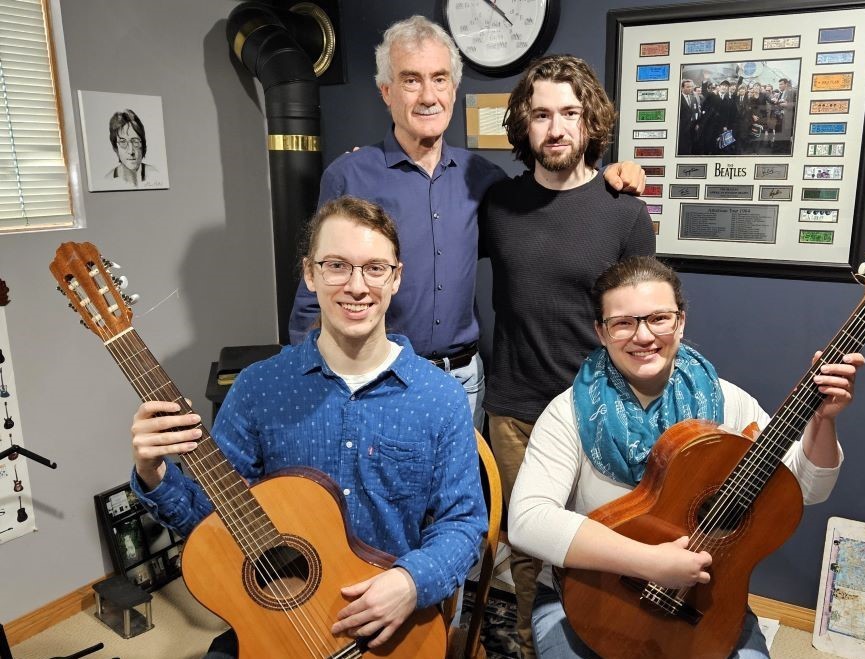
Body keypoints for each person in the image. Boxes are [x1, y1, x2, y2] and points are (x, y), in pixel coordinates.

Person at [130, 196, 487, 658]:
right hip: (279, 620)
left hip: (387, 631)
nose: (356, 286)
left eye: (374, 268)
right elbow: (212, 523)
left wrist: (409, 582)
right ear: (310, 273)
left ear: (396, 278)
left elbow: (464, 523)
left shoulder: (439, 397)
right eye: (336, 265)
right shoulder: (259, 388)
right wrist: (152, 472)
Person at [287, 16, 644, 429]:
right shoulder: (351, 176)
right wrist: (307, 380)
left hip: (465, 382)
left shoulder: (482, 178)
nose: (427, 96)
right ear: (386, 91)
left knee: (465, 493)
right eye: (410, 80)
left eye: (439, 79)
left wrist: (616, 175)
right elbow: (314, 291)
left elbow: (555, 210)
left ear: (454, 90)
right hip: (380, 377)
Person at [508, 255, 865, 658]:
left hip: (702, 598)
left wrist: (822, 422)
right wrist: (649, 563)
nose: (643, 336)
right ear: (601, 332)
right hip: (589, 592)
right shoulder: (570, 411)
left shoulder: (726, 402)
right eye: (623, 322)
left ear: (680, 321)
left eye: (658, 318)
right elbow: (526, 521)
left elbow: (805, 489)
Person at [479, 55, 656, 659]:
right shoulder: (498, 206)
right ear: (524, 126)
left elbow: (643, 318)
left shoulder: (624, 211)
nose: (555, 128)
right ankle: (535, 648)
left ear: (590, 122)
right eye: (541, 114)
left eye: (570, 113)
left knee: (602, 550)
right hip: (516, 411)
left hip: (595, 413)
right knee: (528, 557)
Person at [104, 109, 163, 188]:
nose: (131, 151)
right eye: (123, 142)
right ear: (115, 147)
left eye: (135, 141)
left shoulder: (155, 174)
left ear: (143, 144)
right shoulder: (108, 180)